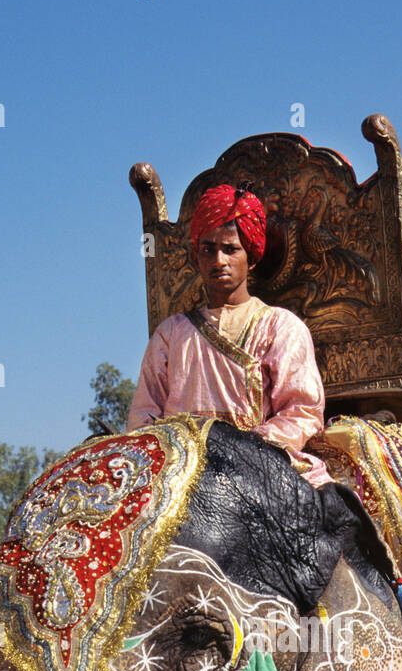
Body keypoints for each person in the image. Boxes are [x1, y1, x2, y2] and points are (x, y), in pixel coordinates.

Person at [127, 183, 331, 486]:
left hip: (257, 464)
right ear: (196, 258)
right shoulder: (170, 334)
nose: (219, 261)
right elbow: (143, 419)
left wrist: (244, 448)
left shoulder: (281, 327)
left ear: (251, 256)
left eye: (230, 249)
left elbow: (302, 412)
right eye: (208, 249)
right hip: (179, 472)